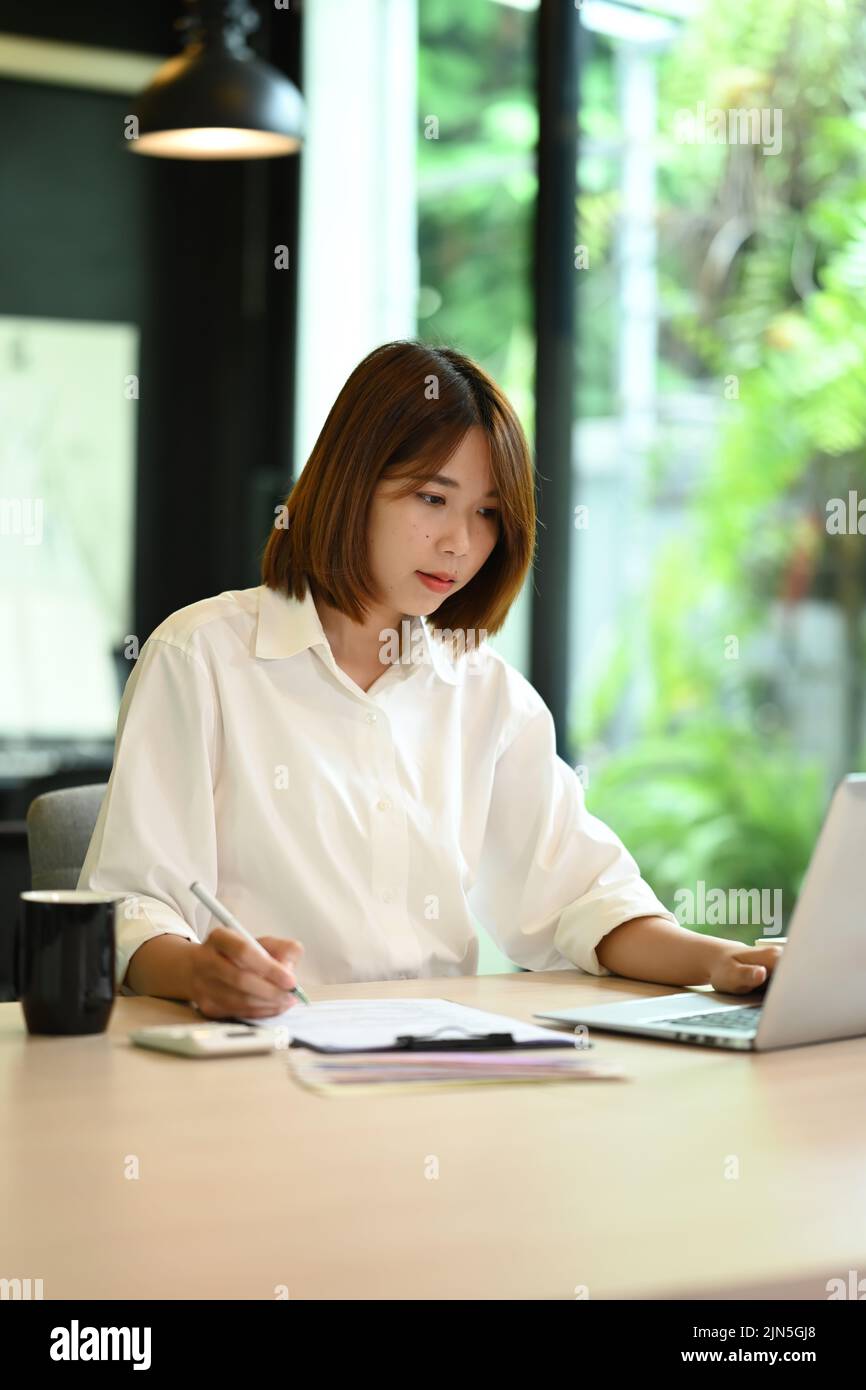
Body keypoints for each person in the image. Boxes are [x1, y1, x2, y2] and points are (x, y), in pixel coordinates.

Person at [78, 339, 783, 1018]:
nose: (460, 543)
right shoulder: (201, 657)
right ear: (352, 484)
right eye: (432, 499)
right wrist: (204, 973)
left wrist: (725, 961)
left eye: (487, 514)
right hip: (258, 1064)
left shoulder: (487, 696)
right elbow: (134, 909)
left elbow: (584, 901)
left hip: (438, 1068)